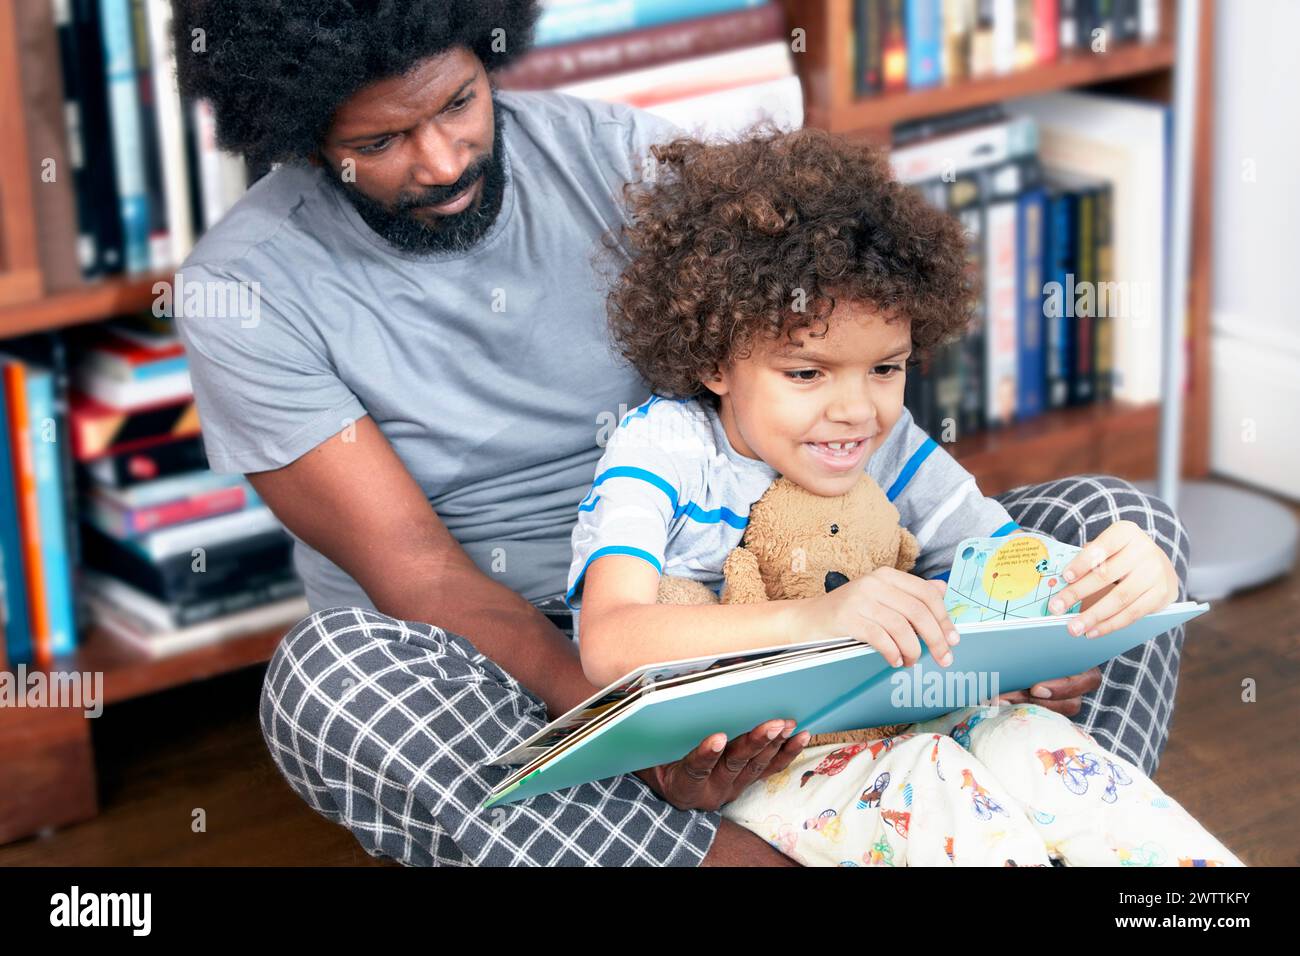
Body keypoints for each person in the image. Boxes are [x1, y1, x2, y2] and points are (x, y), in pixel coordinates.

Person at [170, 0, 1186, 866]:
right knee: (329, 687)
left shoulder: (610, 160)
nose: (440, 159)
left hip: (755, 587)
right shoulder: (244, 291)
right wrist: (644, 726)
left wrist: (1027, 626)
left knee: (1121, 526)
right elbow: (424, 580)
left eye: (457, 103)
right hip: (515, 658)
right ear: (303, 135)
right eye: (380, 142)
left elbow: (807, 392)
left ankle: (1032, 811)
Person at [568, 128, 1241, 866]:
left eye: (885, 369)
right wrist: (816, 620)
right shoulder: (662, 447)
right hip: (771, 762)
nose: (857, 410)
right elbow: (609, 640)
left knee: (1040, 745)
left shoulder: (888, 447)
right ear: (714, 361)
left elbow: (1004, 561)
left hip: (910, 718)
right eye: (806, 374)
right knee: (939, 785)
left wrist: (1103, 586)